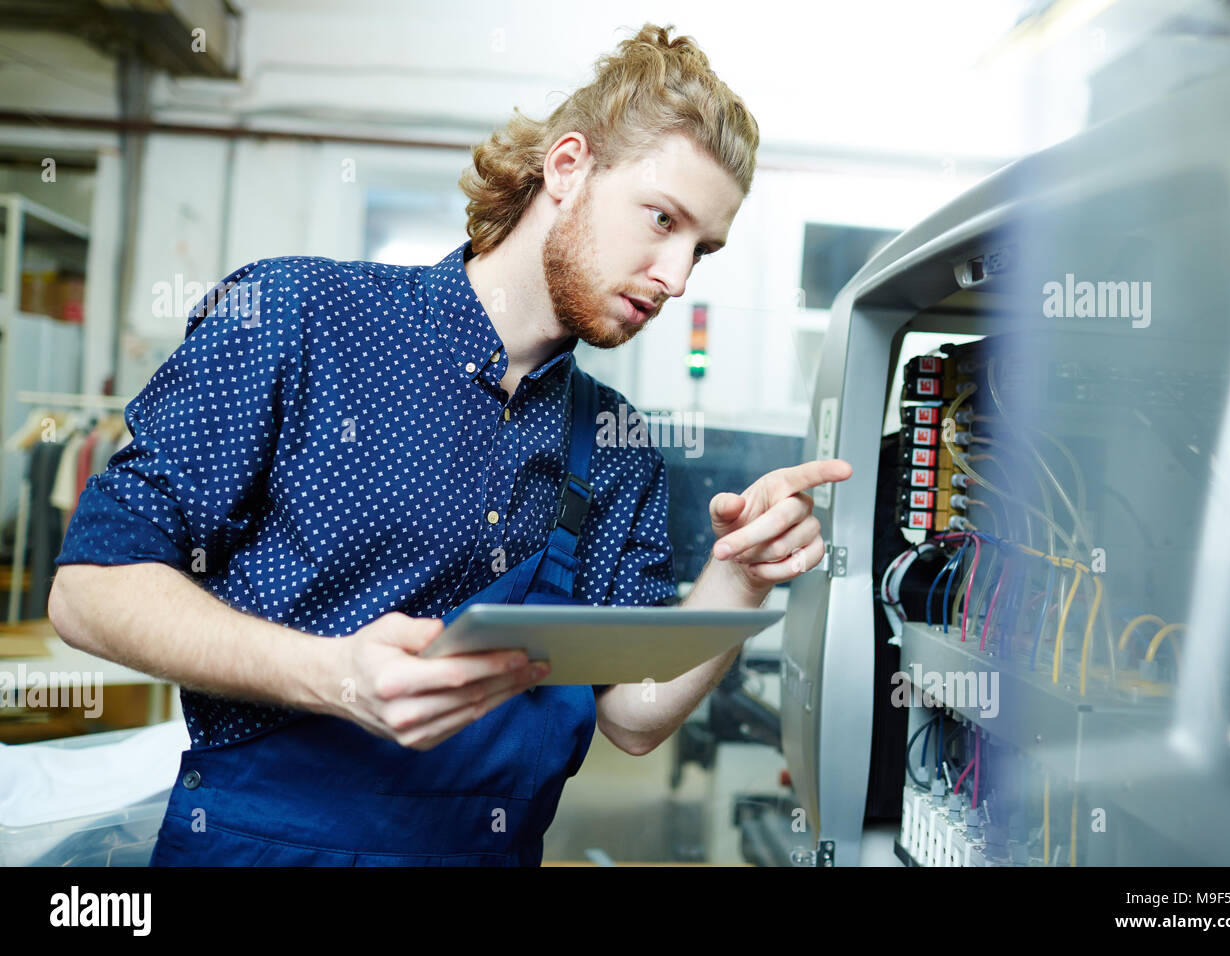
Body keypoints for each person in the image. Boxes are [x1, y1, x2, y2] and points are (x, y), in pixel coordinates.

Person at [47, 22, 852, 866]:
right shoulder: (298, 316)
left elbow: (634, 716)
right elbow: (90, 592)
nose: (677, 275)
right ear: (568, 168)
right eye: (661, 219)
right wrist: (332, 673)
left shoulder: (612, 445)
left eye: (703, 249)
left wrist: (742, 575)